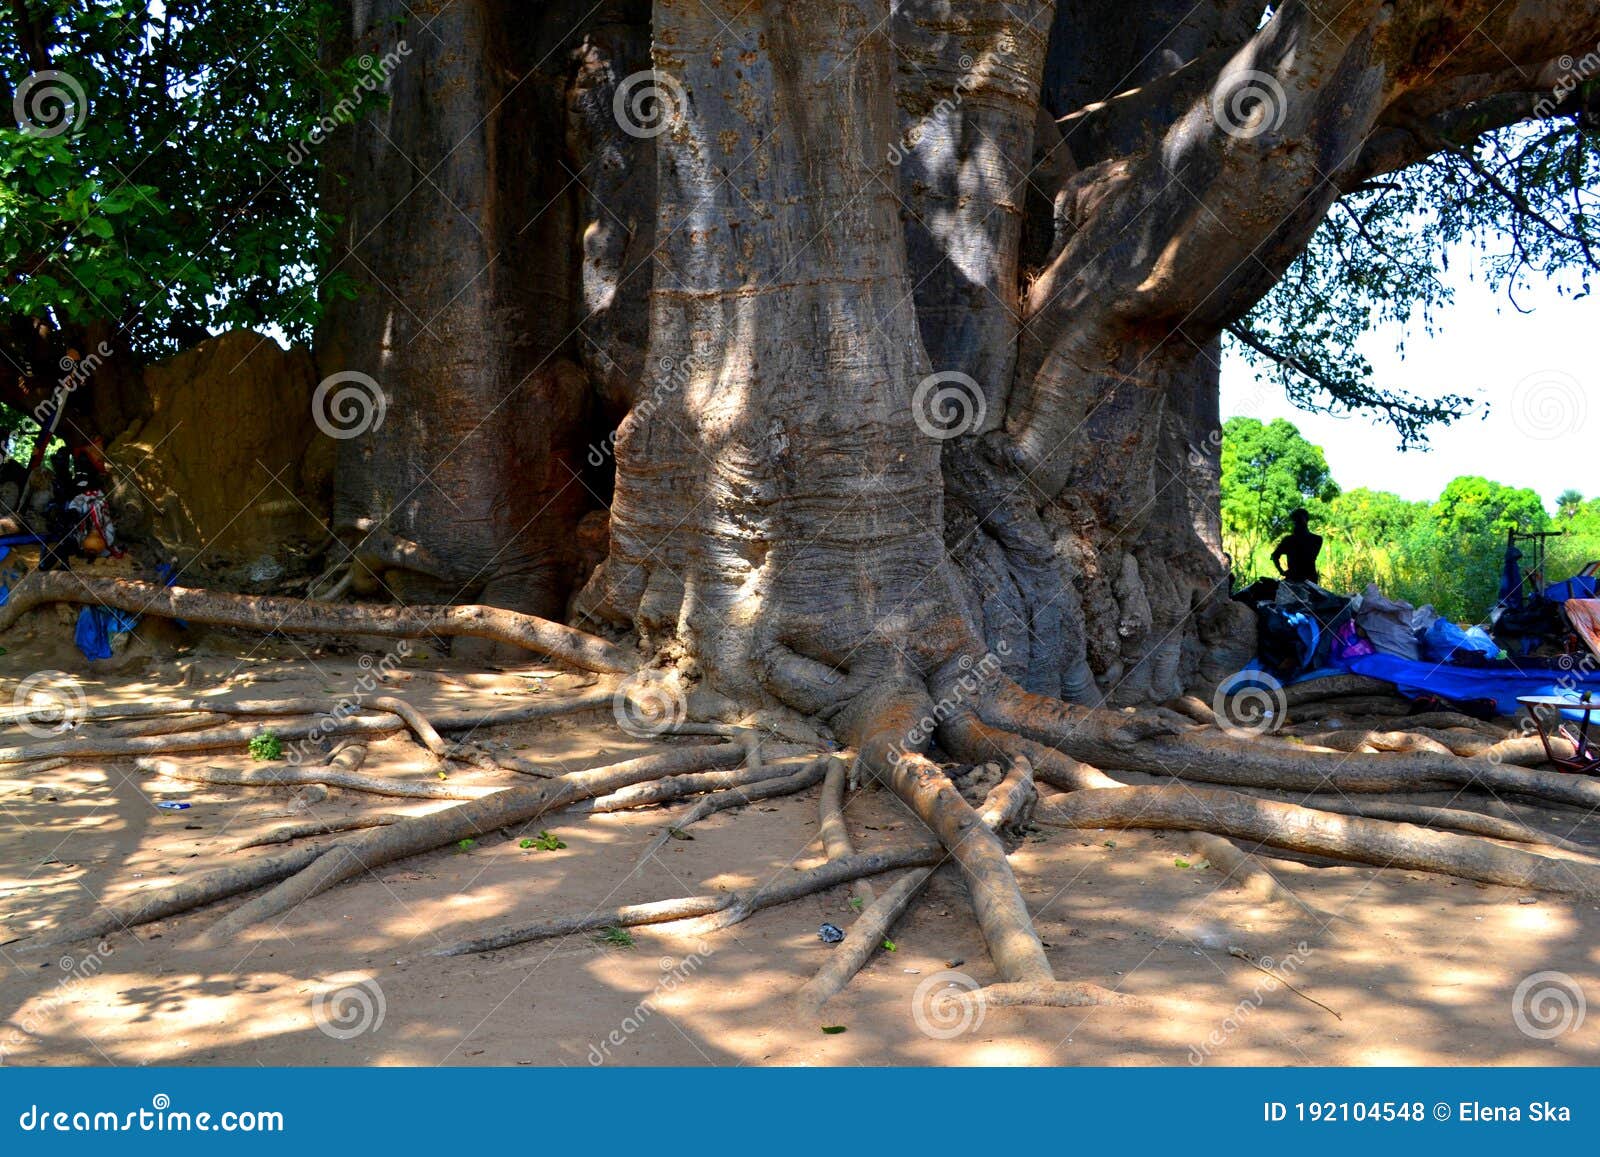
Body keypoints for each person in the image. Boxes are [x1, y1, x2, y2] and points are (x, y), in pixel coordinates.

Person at [1271, 508, 1323, 584]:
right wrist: (1281, 571)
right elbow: (1275, 556)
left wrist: (1282, 571)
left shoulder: (1289, 540)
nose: (1297, 523)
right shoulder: (1317, 539)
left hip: (1301, 578)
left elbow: (1275, 555)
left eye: (1298, 520)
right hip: (1305, 579)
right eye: (1296, 521)